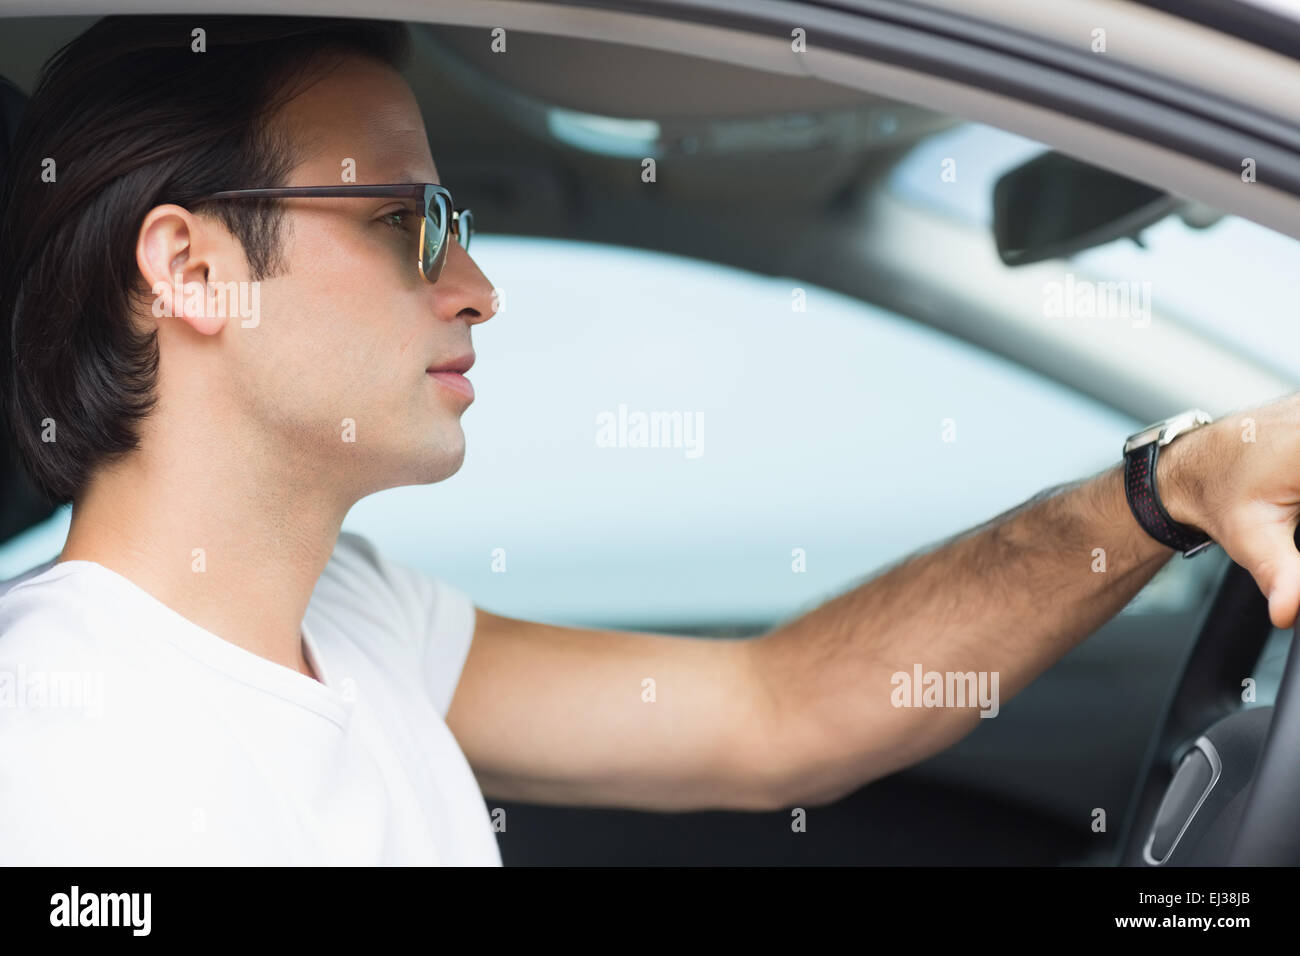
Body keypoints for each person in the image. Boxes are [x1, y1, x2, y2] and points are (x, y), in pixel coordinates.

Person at [2, 15, 1298, 865]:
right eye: (409, 220)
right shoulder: (71, 750)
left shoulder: (349, 617)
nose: (477, 288)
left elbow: (772, 713)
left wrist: (1162, 488)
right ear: (190, 267)